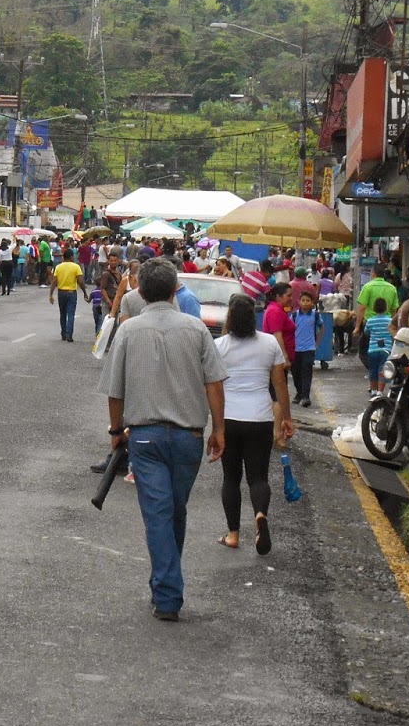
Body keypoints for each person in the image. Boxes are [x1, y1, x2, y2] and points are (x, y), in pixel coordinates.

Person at [98, 259, 227, 623]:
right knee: (174, 510)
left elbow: (114, 389)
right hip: (189, 436)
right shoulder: (197, 329)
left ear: (139, 292)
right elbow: (214, 383)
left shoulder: (128, 331)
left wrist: (114, 432)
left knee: (160, 513)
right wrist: (219, 429)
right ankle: (165, 585)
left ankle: (167, 592)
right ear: (174, 291)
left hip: (145, 438)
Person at [215, 294, 294, 554]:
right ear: (254, 317)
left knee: (231, 478)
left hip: (229, 418)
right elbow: (280, 384)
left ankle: (233, 534)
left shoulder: (219, 346)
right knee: (258, 477)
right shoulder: (270, 343)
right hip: (260, 418)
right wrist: (286, 418)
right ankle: (260, 515)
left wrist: (214, 425)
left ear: (229, 318)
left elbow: (213, 387)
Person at [289, 289, 321, 407]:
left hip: (309, 348)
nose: (306, 303)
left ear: (312, 303)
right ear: (299, 302)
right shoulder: (294, 315)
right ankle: (299, 393)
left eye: (308, 300)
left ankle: (306, 397)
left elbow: (321, 328)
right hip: (296, 349)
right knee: (295, 372)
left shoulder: (315, 315)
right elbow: (289, 330)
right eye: (303, 300)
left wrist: (316, 343)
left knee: (306, 372)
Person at [49, 247, 84, 342]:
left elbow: (54, 282)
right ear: (71, 256)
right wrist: (85, 292)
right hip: (72, 292)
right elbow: (80, 281)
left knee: (63, 313)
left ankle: (63, 333)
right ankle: (69, 334)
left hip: (61, 292)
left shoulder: (58, 267)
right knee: (71, 314)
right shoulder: (76, 267)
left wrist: (51, 295)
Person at [362, 297, 393, 392]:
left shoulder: (370, 321)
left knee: (373, 370)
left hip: (372, 350)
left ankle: (373, 391)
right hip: (386, 349)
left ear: (374, 308)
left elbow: (366, 333)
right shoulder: (390, 321)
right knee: (382, 370)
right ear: (386, 308)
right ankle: (380, 392)